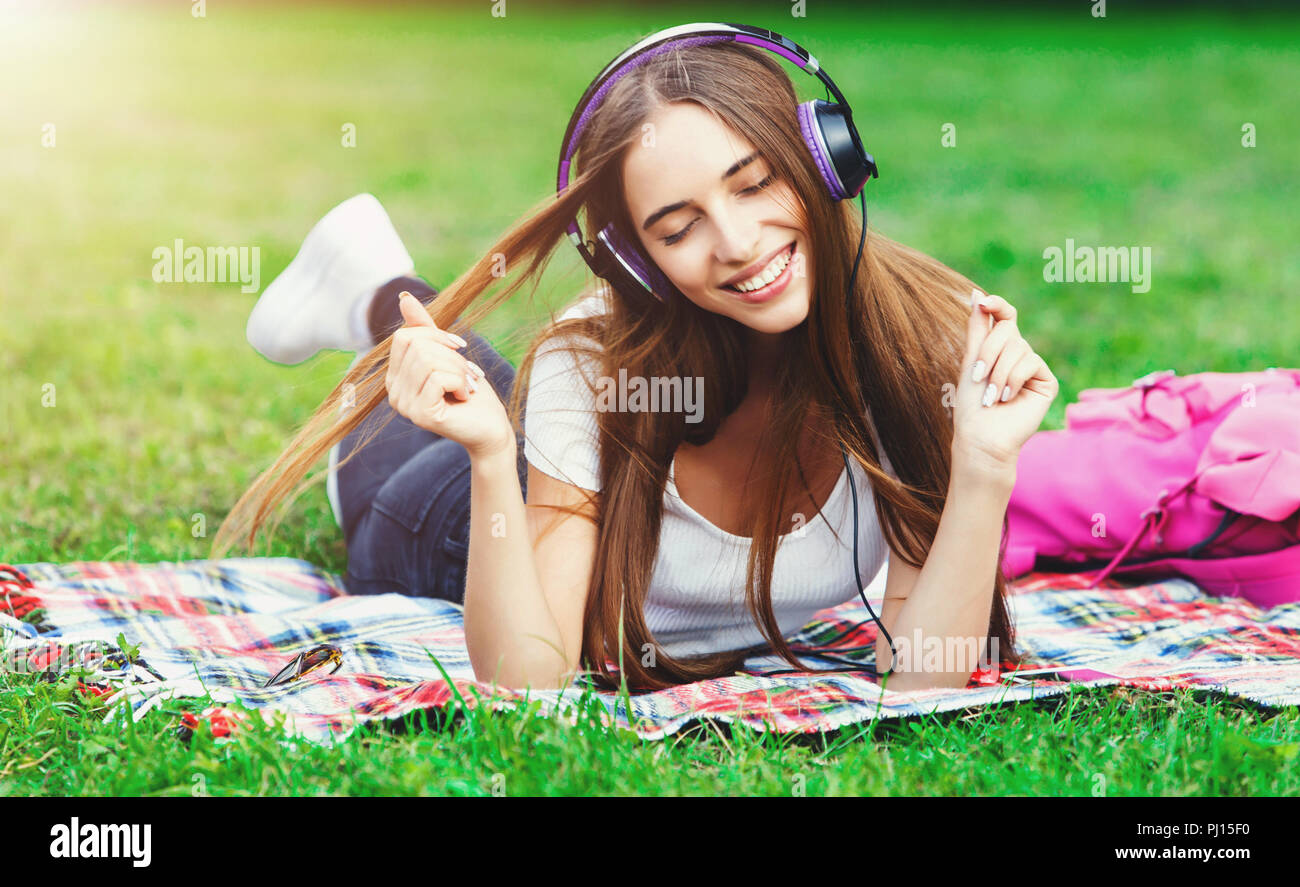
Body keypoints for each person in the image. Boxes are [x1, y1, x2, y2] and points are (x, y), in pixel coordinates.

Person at [212, 36, 1059, 694]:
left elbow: (920, 675)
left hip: (579, 442)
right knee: (477, 415)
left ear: (823, 156)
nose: (738, 244)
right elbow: (531, 678)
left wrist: (982, 469)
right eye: (678, 227)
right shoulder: (590, 367)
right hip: (453, 523)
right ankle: (376, 293)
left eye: (756, 182)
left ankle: (382, 282)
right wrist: (489, 457)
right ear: (636, 263)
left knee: (530, 398)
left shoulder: (920, 346)